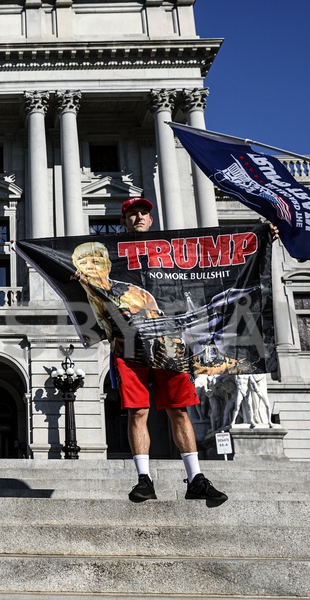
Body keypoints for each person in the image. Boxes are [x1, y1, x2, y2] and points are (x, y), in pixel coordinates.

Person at [102, 197, 228, 503]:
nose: (139, 217)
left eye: (143, 213)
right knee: (138, 410)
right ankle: (144, 479)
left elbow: (216, 259)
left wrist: (263, 236)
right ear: (124, 221)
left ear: (151, 219)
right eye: (132, 214)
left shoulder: (169, 251)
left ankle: (196, 478)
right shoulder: (113, 255)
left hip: (167, 340)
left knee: (178, 408)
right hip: (129, 342)